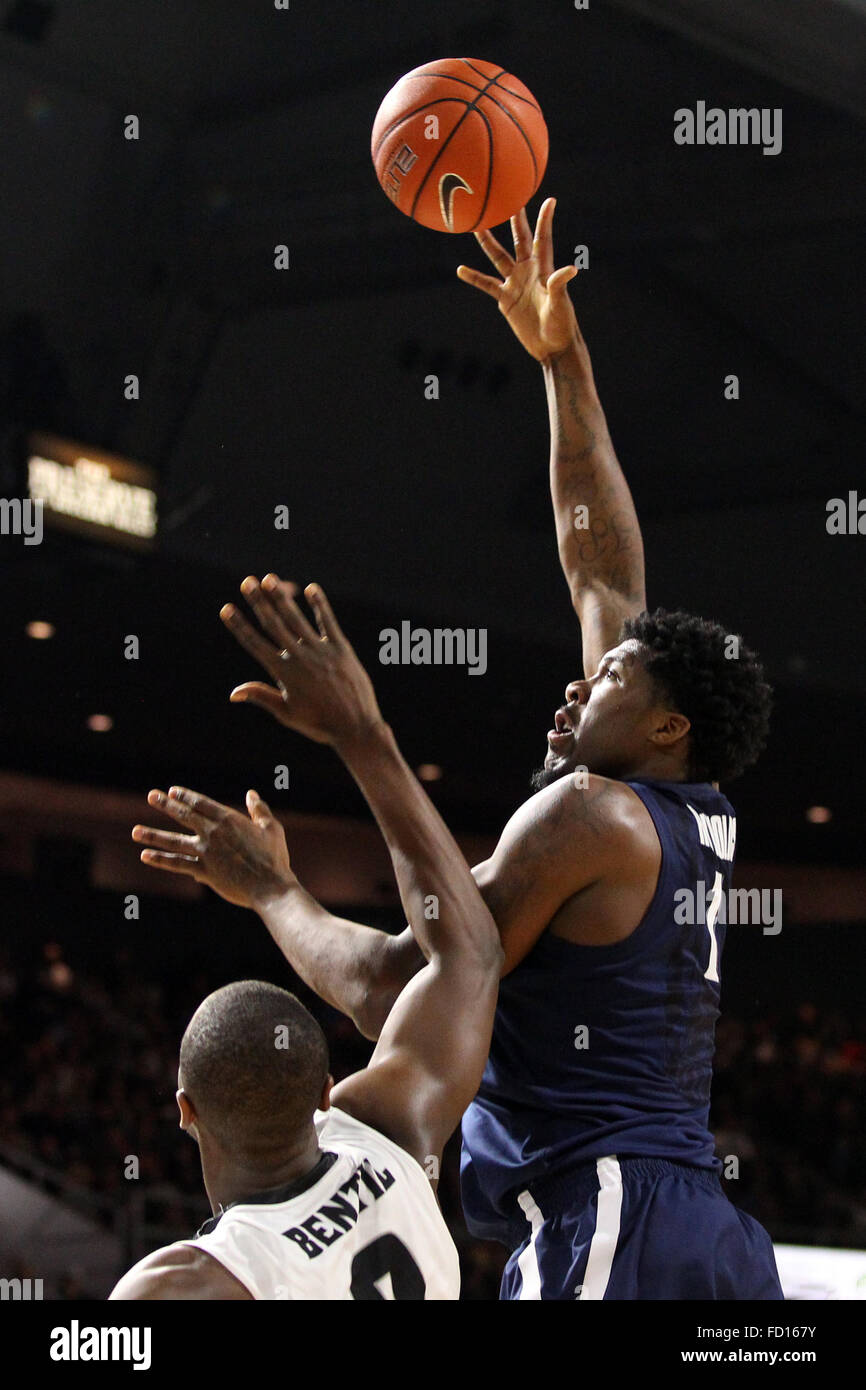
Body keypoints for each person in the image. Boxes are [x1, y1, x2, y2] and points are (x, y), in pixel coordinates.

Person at [215, 199, 782, 1300]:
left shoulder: (591, 815)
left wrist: (274, 893)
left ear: (666, 727)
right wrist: (560, 356)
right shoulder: (684, 805)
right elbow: (601, 567)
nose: (582, 679)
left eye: (610, 680)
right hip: (693, 1228)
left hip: (606, 1220)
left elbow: (401, 982)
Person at [109, 585, 502, 1300]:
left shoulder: (184, 1285)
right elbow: (470, 954)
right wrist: (363, 733)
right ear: (325, 1092)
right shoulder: (390, 1135)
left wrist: (273, 889)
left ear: (186, 1110)